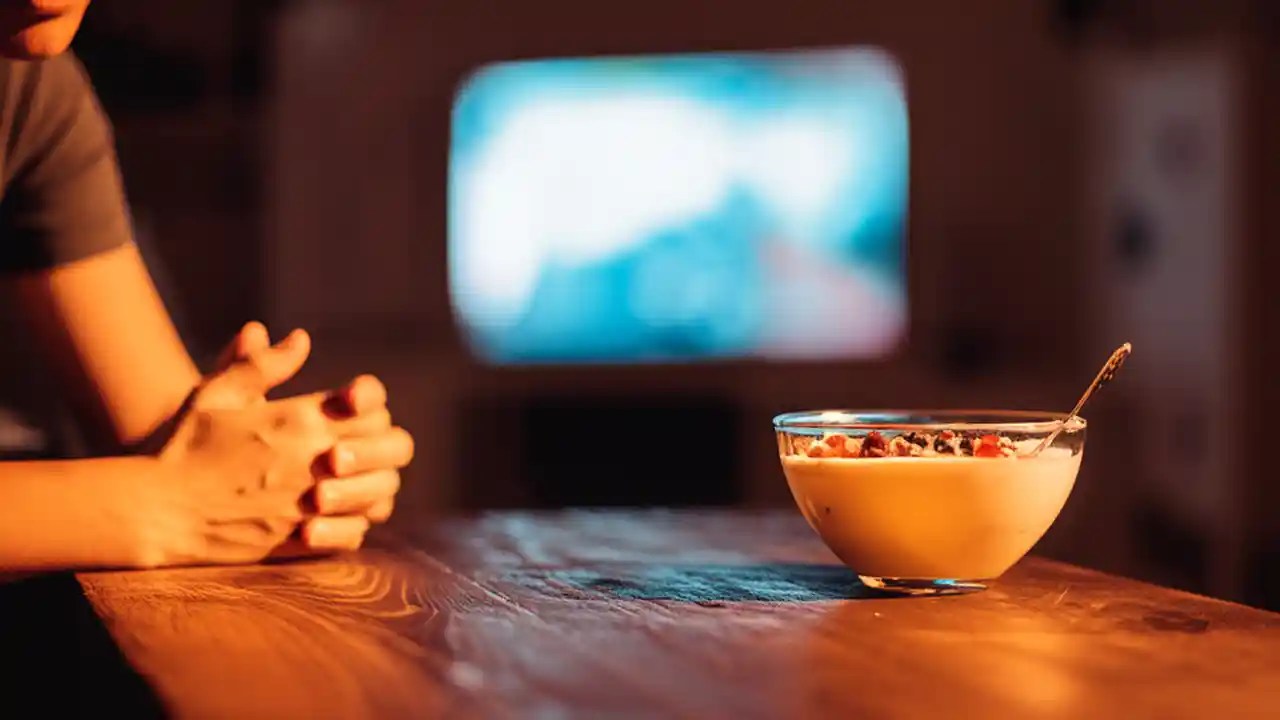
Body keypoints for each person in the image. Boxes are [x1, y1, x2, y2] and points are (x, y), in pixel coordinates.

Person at [0, 1, 413, 571]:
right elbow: (183, 493)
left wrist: (313, 468)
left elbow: (178, 448)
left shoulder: (29, 93)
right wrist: (157, 507)